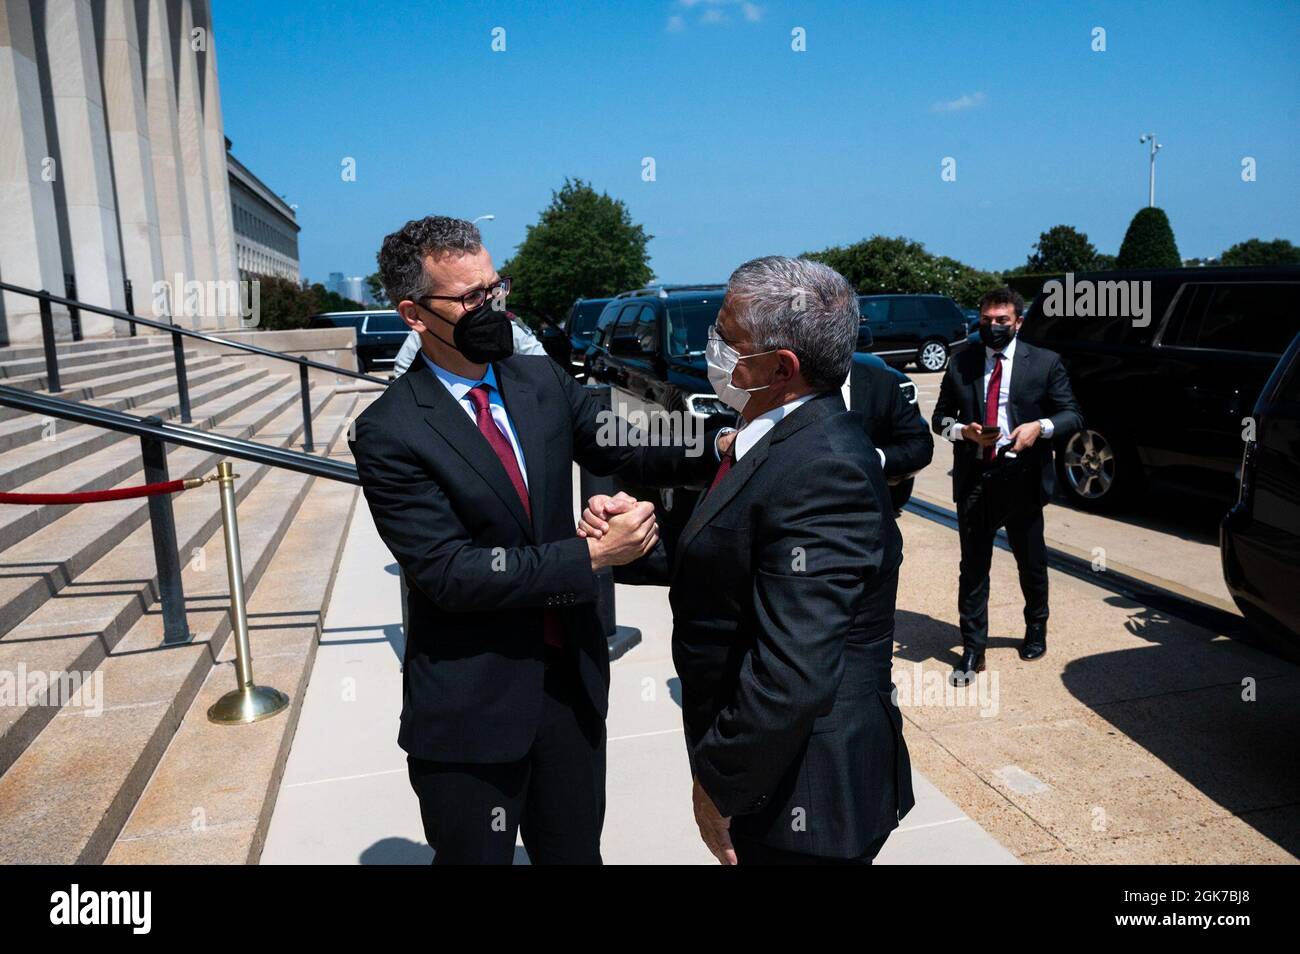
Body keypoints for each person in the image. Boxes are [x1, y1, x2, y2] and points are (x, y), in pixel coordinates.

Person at [349, 216, 714, 864]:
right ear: (412, 313)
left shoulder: (534, 377)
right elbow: (450, 573)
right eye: (469, 298)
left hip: (567, 689)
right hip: (472, 707)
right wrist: (591, 556)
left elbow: (619, 435)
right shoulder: (389, 431)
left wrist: (718, 443)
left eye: (495, 289)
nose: (491, 308)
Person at [582, 256, 914, 864]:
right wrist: (634, 542)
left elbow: (794, 671)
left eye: (726, 337)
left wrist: (719, 785)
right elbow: (742, 557)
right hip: (778, 776)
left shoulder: (823, 467)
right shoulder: (769, 434)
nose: (713, 345)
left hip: (799, 795)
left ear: (781, 367)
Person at [929, 286, 1083, 685]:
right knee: (974, 567)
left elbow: (1071, 415)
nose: (993, 328)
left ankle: (1036, 627)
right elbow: (939, 419)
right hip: (977, 478)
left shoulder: (1044, 363)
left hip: (1023, 478)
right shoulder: (961, 364)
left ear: (1018, 322)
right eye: (985, 322)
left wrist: (1039, 427)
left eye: (1001, 321)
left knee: (1030, 560)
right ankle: (973, 649)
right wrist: (964, 431)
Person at [390, 313, 546, 375]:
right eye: (472, 295)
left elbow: (542, 364)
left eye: (494, 289)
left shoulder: (509, 328)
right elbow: (403, 370)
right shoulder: (427, 331)